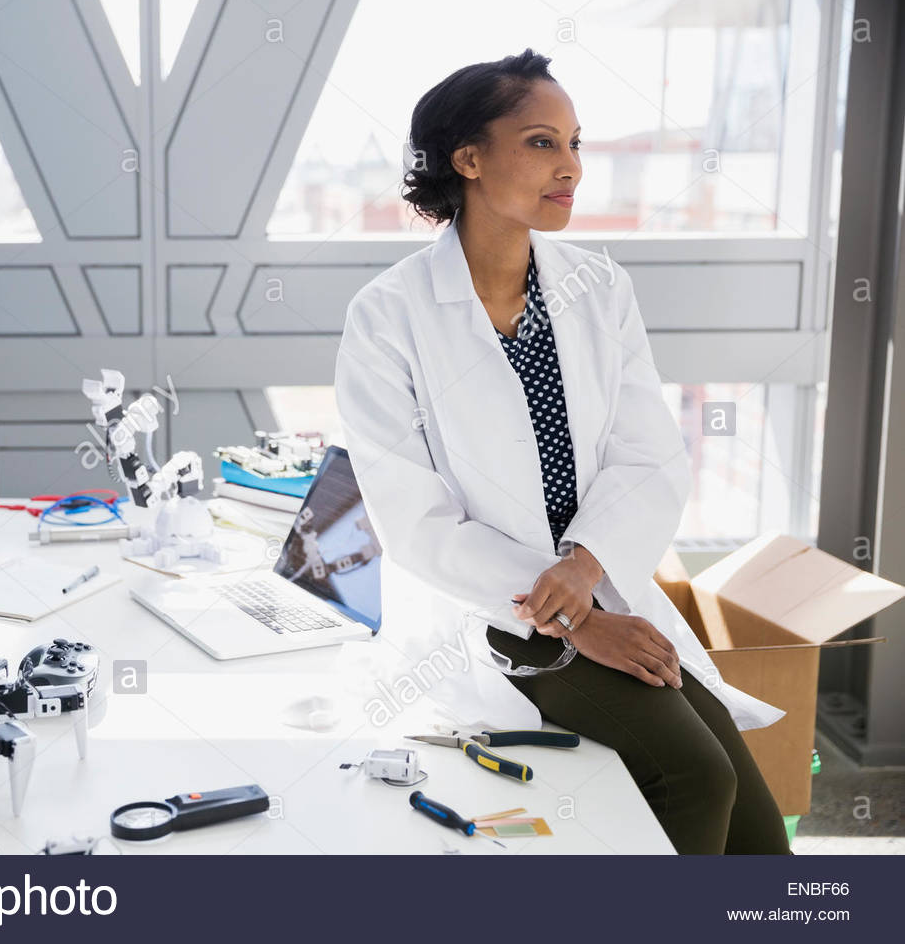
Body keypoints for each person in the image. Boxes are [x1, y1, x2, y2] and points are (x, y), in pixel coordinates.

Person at [333, 49, 792, 854]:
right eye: (543, 143)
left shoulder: (598, 288)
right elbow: (416, 524)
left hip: (599, 580)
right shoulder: (387, 317)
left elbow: (649, 454)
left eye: (577, 144)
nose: (573, 168)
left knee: (759, 833)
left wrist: (584, 573)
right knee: (695, 775)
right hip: (492, 609)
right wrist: (569, 615)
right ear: (468, 159)